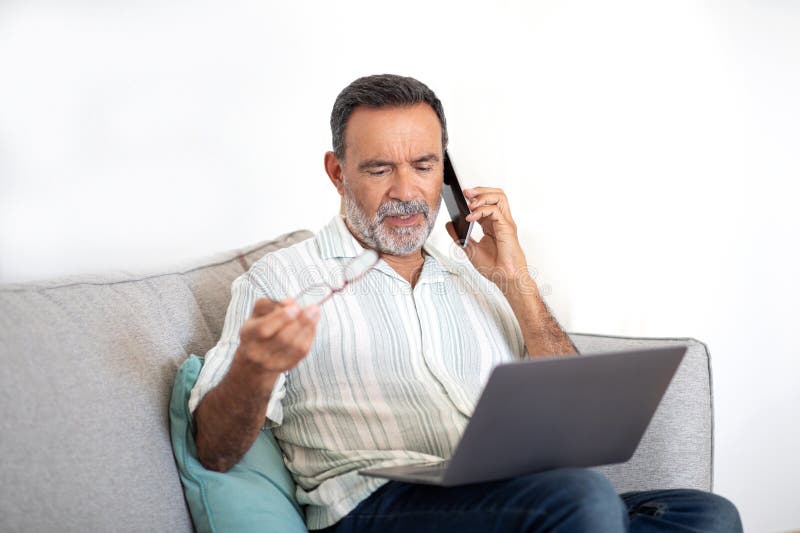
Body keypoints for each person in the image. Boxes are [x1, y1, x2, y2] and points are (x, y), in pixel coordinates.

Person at [189, 74, 742, 532]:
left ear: (446, 171)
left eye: (425, 166)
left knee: (703, 516)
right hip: (373, 508)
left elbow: (574, 422)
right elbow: (213, 450)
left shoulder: (473, 271)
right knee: (580, 499)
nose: (407, 191)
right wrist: (255, 369)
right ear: (337, 172)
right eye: (380, 169)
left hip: (503, 497)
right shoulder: (280, 280)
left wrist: (517, 281)